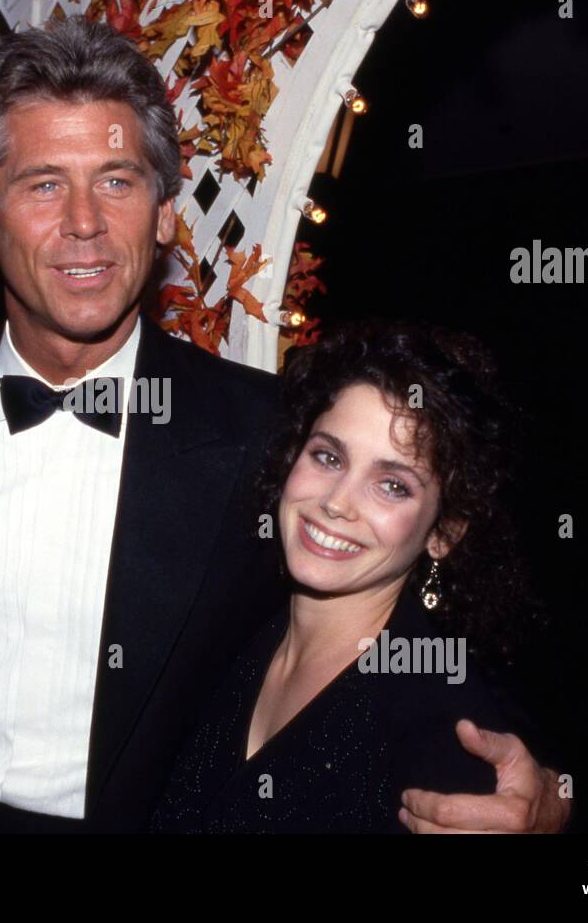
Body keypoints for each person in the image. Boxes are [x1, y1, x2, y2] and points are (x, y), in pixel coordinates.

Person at [0, 15, 569, 833]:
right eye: (44, 183)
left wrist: (552, 797)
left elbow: (405, 642)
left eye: (119, 180)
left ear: (165, 213)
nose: (86, 222)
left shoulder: (267, 436)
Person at [150, 321, 553, 832]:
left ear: (443, 534)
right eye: (328, 456)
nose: (337, 502)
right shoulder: (232, 628)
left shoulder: (447, 729)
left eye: (391, 485)